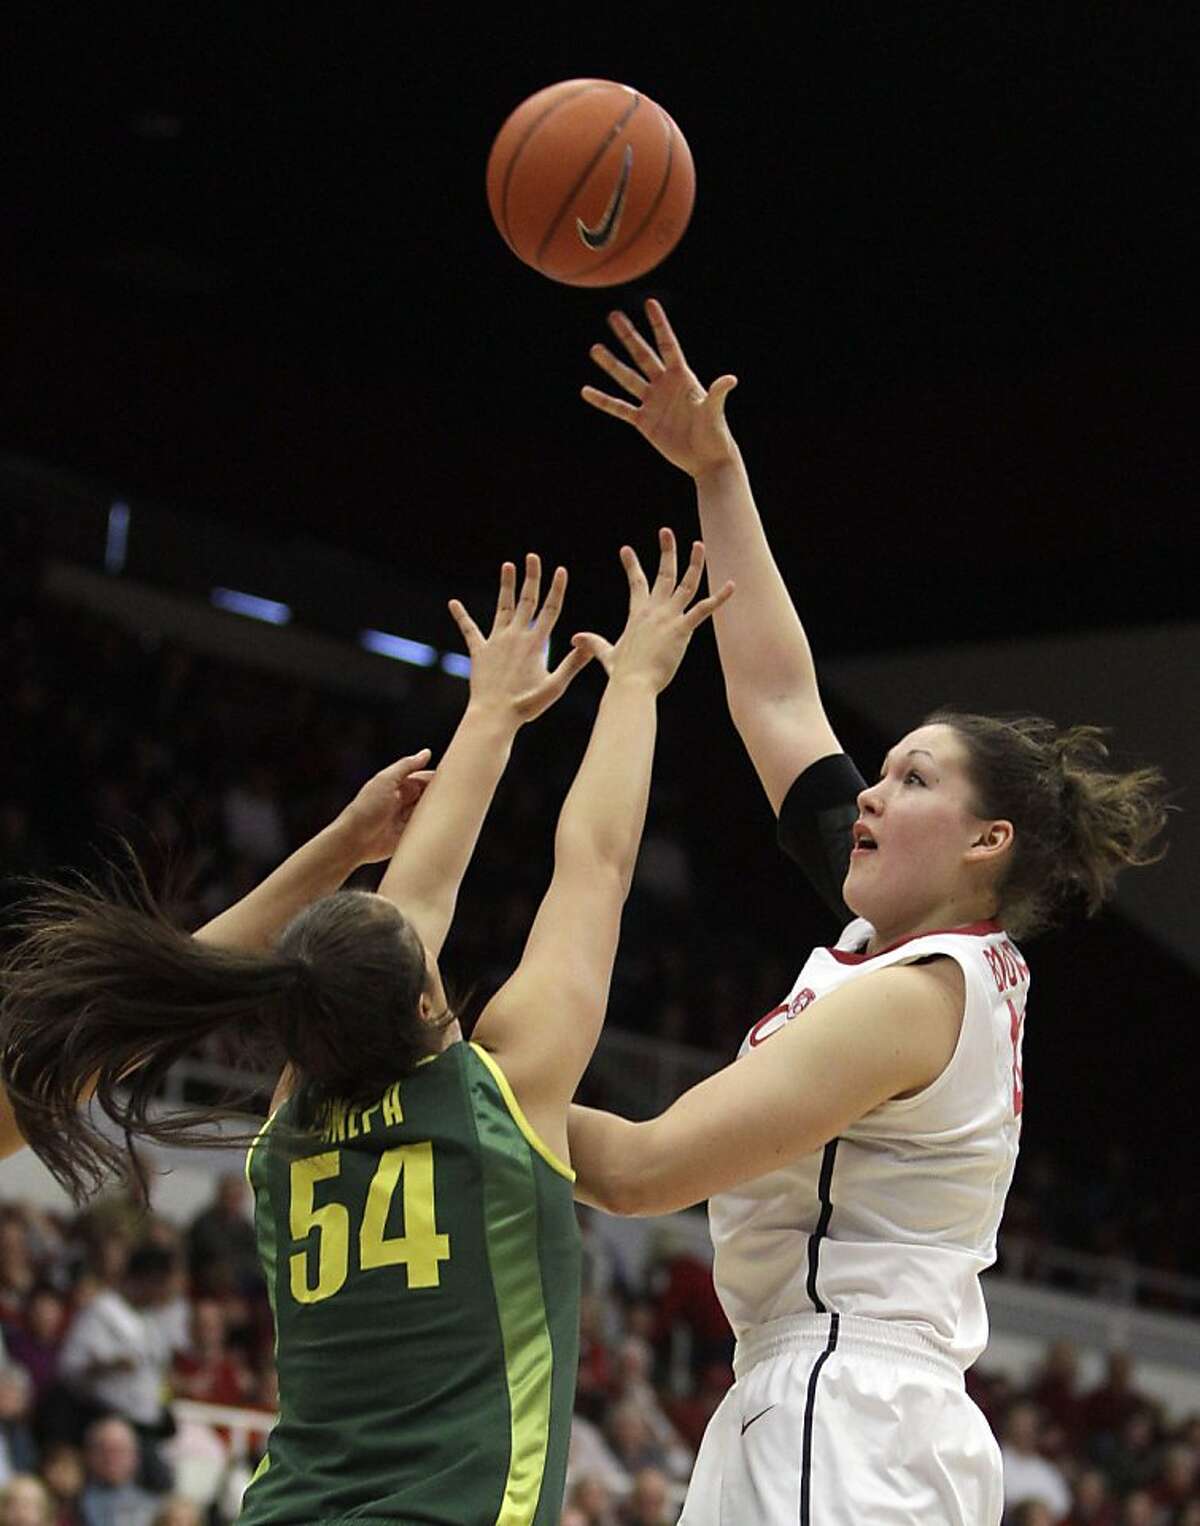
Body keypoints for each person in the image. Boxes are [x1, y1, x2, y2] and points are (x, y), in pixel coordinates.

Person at [568, 300, 1169, 1525]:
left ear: (987, 839)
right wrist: (716, 468)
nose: (867, 793)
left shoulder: (910, 998)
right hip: (868, 1415)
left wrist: (444, 1088)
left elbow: (640, 1168)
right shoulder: (920, 952)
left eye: (909, 778)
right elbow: (779, 697)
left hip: (837, 1411)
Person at [1, 545, 731, 1525]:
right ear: (429, 1003)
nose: (419, 919)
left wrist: (492, 715)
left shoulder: (289, 1120)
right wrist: (631, 684)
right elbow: (590, 862)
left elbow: (429, 893)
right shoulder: (502, 1099)